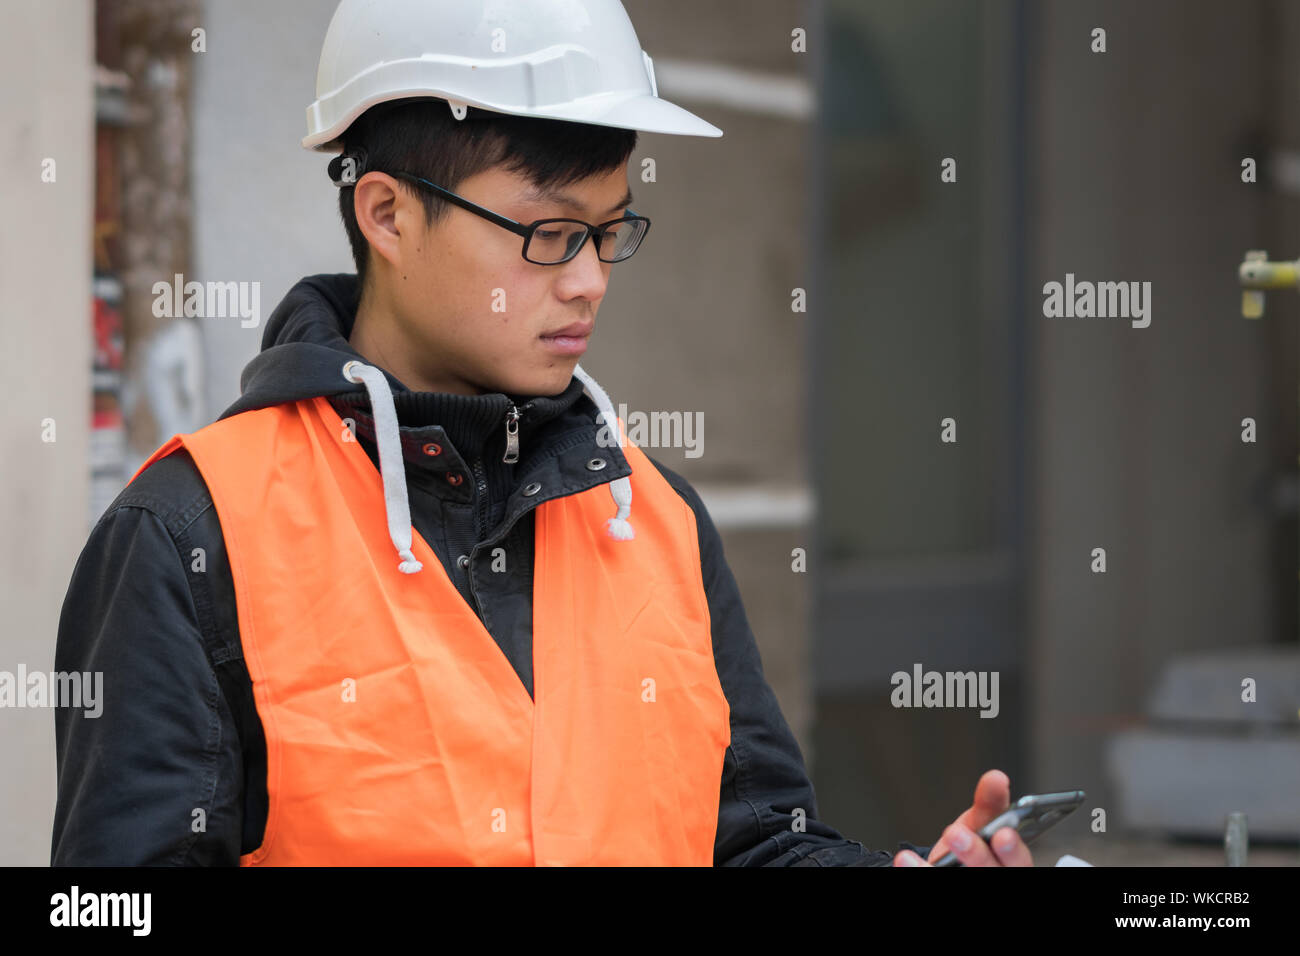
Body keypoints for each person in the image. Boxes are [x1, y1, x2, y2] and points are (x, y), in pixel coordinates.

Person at [51, 0, 1031, 867]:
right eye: (549, 233)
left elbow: (753, 835)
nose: (590, 279)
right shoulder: (190, 537)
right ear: (387, 213)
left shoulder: (659, 523)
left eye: (609, 231)